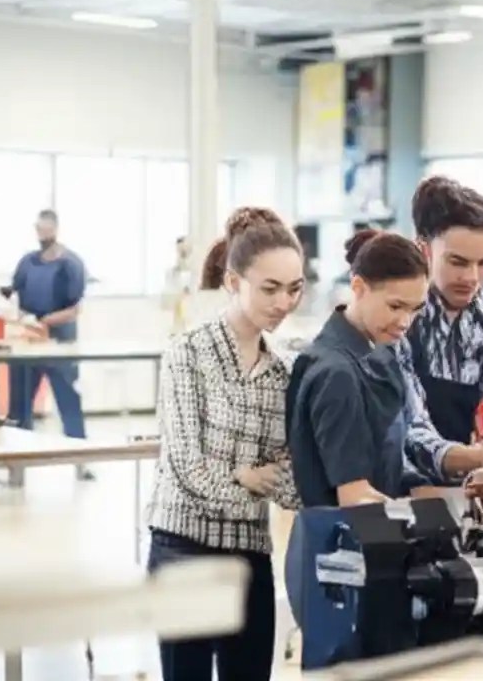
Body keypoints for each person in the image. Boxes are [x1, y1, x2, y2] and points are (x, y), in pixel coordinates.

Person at [147, 208, 304, 681]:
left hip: (250, 554)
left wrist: (248, 478)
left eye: (295, 289)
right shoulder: (187, 354)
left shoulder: (285, 371)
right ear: (234, 282)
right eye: (270, 289)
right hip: (183, 551)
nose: (283, 303)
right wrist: (253, 480)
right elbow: (188, 475)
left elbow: (293, 488)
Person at [287, 229, 436, 507]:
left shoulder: (382, 357)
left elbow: (390, 467)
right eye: (395, 306)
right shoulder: (335, 374)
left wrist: (457, 498)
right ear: (358, 288)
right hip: (341, 544)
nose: (405, 322)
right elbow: (354, 496)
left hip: (378, 535)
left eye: (415, 310)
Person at [396, 176, 483, 486]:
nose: (471, 277)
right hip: (402, 492)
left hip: (475, 491)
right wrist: (474, 458)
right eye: (457, 262)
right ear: (423, 250)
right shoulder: (397, 323)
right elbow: (409, 430)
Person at [7, 209, 91, 480]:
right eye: (38, 229)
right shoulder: (27, 263)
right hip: (29, 342)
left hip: (59, 343)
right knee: (20, 406)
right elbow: (15, 296)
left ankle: (81, 461)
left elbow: (75, 307)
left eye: (46, 229)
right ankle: (16, 467)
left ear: (55, 229)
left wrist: (47, 321)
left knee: (68, 401)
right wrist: (25, 320)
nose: (42, 235)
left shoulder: (71, 264)